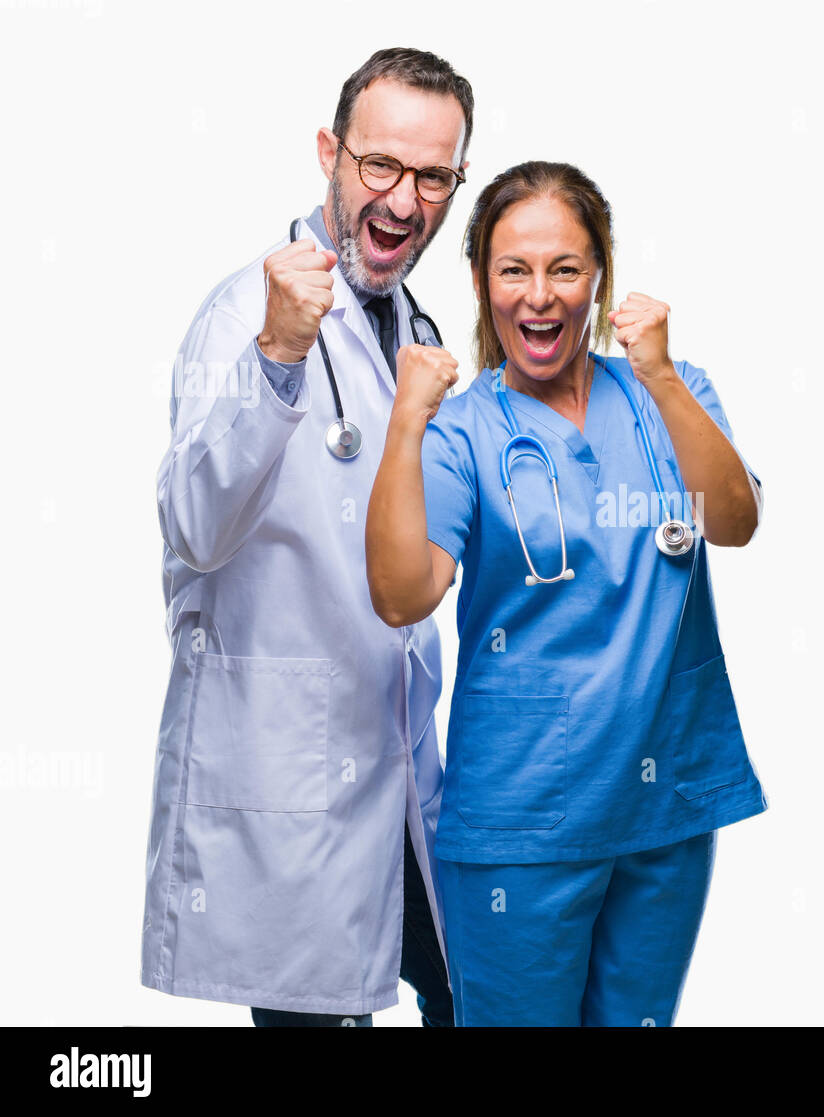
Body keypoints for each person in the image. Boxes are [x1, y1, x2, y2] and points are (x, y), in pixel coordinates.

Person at [365, 161, 767, 1026]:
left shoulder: (675, 390)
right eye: (513, 270)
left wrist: (656, 376)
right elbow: (403, 595)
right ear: (480, 281)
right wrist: (405, 422)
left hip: (665, 809)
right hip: (523, 822)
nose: (539, 297)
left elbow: (733, 520)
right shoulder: (462, 431)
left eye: (565, 269)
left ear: (600, 279)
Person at [142, 48, 472, 1027]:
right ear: (330, 152)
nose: (404, 201)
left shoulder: (408, 318)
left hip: (402, 772)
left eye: (432, 177)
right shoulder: (245, 310)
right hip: (291, 788)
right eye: (380, 166)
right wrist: (280, 354)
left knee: (482, 994)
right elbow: (194, 528)